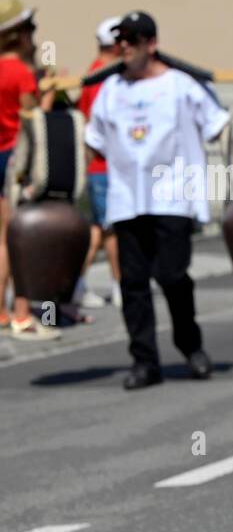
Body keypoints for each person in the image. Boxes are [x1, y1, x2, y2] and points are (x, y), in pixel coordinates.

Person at [84, 11, 229, 390]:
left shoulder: (182, 86)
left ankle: (190, 344)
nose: (125, 47)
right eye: (121, 41)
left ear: (151, 43)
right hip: (127, 198)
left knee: (171, 275)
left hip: (173, 195)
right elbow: (93, 141)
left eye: (133, 40)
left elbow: (219, 126)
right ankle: (144, 361)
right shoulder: (111, 90)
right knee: (133, 282)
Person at [0, 0, 60, 340]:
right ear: (17, 35)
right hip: (16, 157)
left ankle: (4, 313)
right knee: (20, 239)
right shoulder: (21, 73)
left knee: (3, 240)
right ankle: (23, 314)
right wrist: (47, 92)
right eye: (29, 29)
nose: (34, 36)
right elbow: (34, 117)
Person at [74, 16, 125, 311]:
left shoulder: (93, 74)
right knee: (109, 231)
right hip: (105, 166)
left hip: (100, 166)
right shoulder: (105, 77)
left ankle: (81, 284)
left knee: (100, 228)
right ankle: (118, 286)